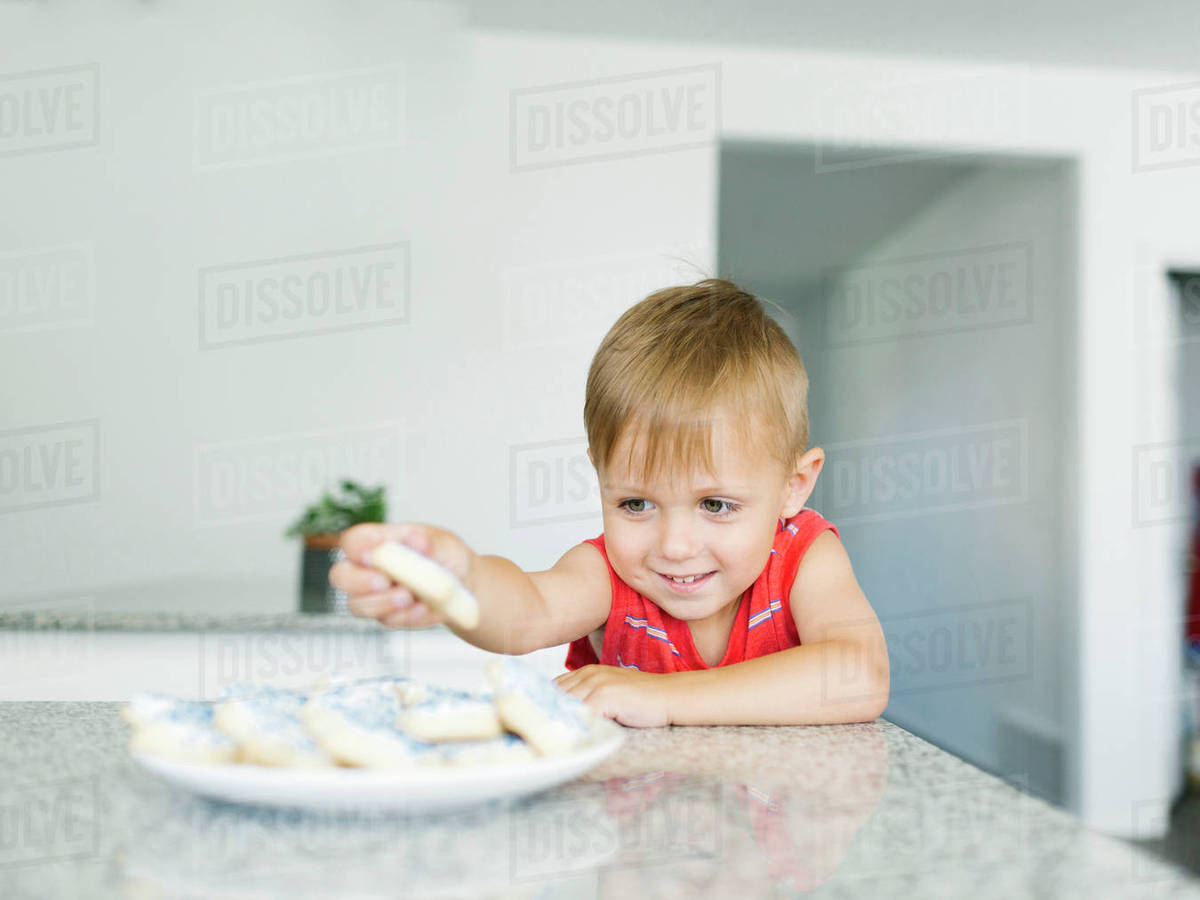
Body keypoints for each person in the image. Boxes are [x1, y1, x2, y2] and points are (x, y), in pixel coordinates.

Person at [332, 278, 889, 727]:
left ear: (795, 485)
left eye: (716, 505)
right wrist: (458, 584)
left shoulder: (802, 560)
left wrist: (666, 698)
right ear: (601, 478)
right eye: (636, 504)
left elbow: (858, 674)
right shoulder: (611, 575)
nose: (673, 547)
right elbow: (526, 612)